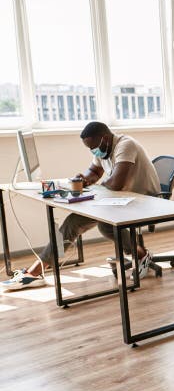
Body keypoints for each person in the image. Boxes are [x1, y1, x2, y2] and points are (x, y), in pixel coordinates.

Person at [1, 122, 161, 291]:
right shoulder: (105, 148)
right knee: (85, 224)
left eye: (93, 147)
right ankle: (36, 272)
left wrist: (94, 188)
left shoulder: (126, 145)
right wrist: (84, 179)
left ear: (105, 138)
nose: (93, 151)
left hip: (145, 200)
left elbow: (116, 184)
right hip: (122, 198)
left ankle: (141, 255)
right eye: (90, 149)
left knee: (93, 223)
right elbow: (95, 172)